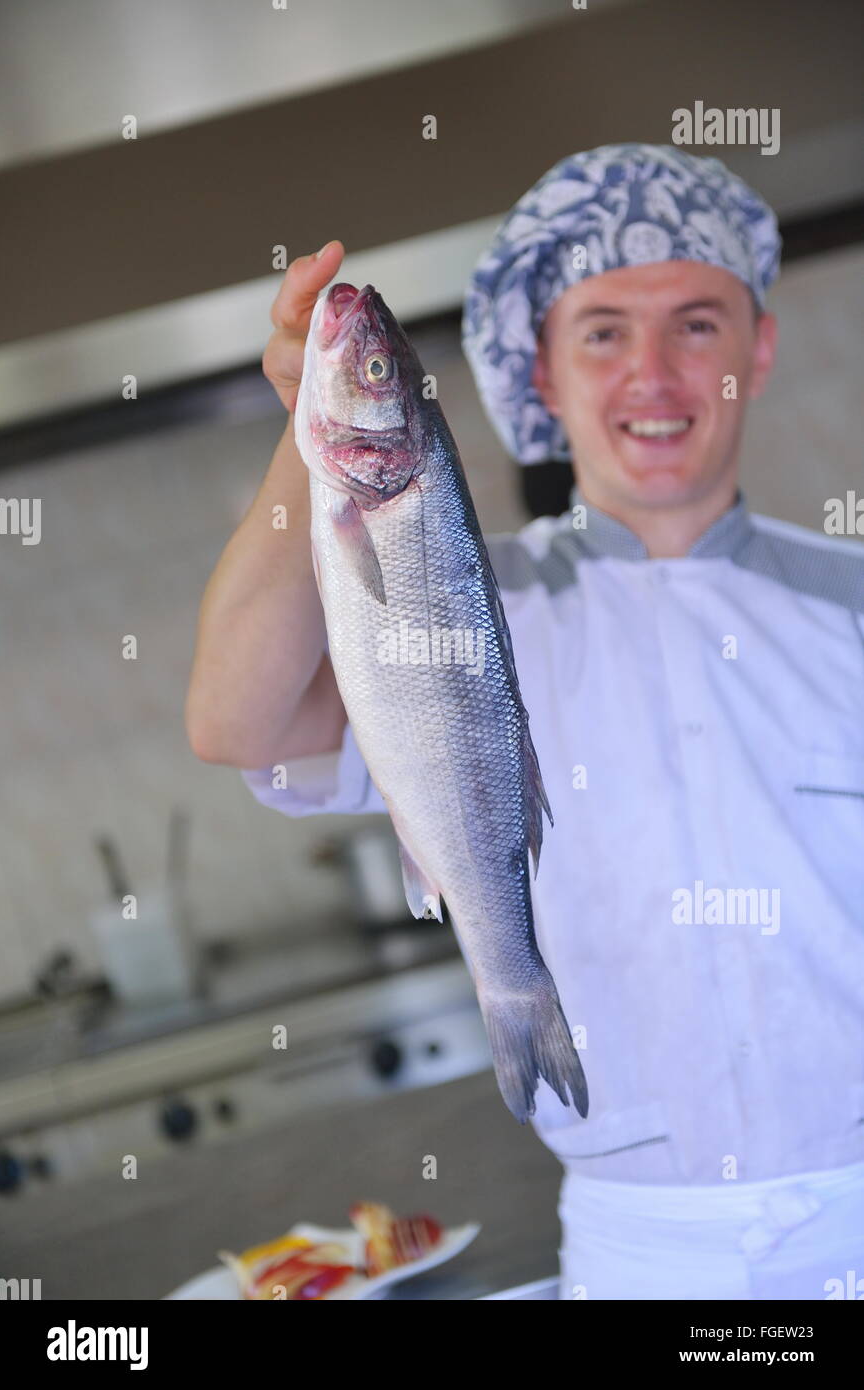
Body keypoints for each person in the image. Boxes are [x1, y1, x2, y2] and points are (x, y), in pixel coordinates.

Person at [186, 144, 864, 1301]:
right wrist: (311, 422)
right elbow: (235, 722)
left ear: (759, 347)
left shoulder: (848, 600)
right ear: (538, 368)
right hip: (641, 1257)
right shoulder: (455, 593)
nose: (651, 372)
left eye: (697, 324)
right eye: (601, 330)